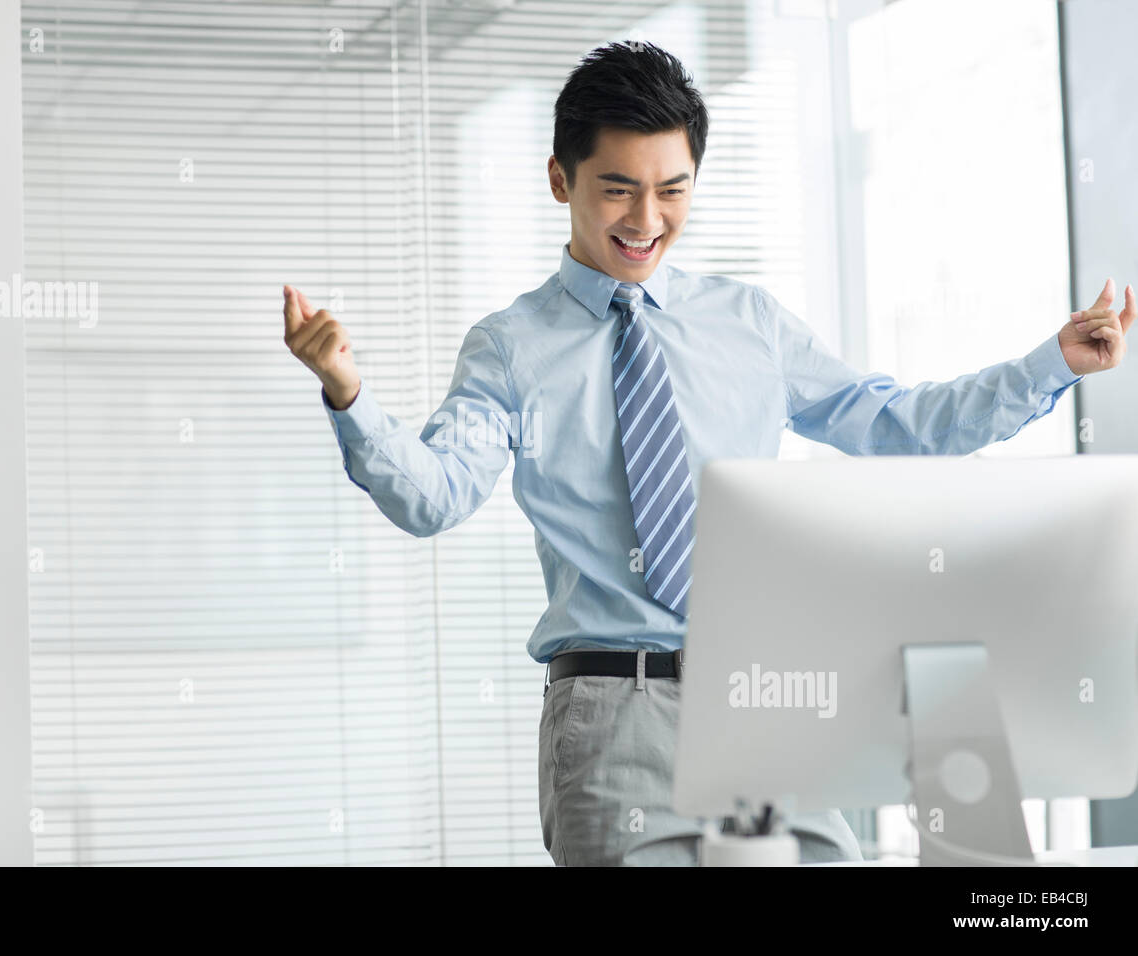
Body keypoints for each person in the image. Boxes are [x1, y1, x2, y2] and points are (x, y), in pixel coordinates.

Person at [281, 40, 1134, 866]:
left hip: (766, 697)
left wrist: (1049, 363)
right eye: (617, 190)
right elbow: (435, 497)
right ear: (558, 179)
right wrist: (349, 393)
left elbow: (901, 428)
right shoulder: (510, 347)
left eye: (672, 190)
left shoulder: (748, 324)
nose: (646, 221)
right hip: (614, 715)